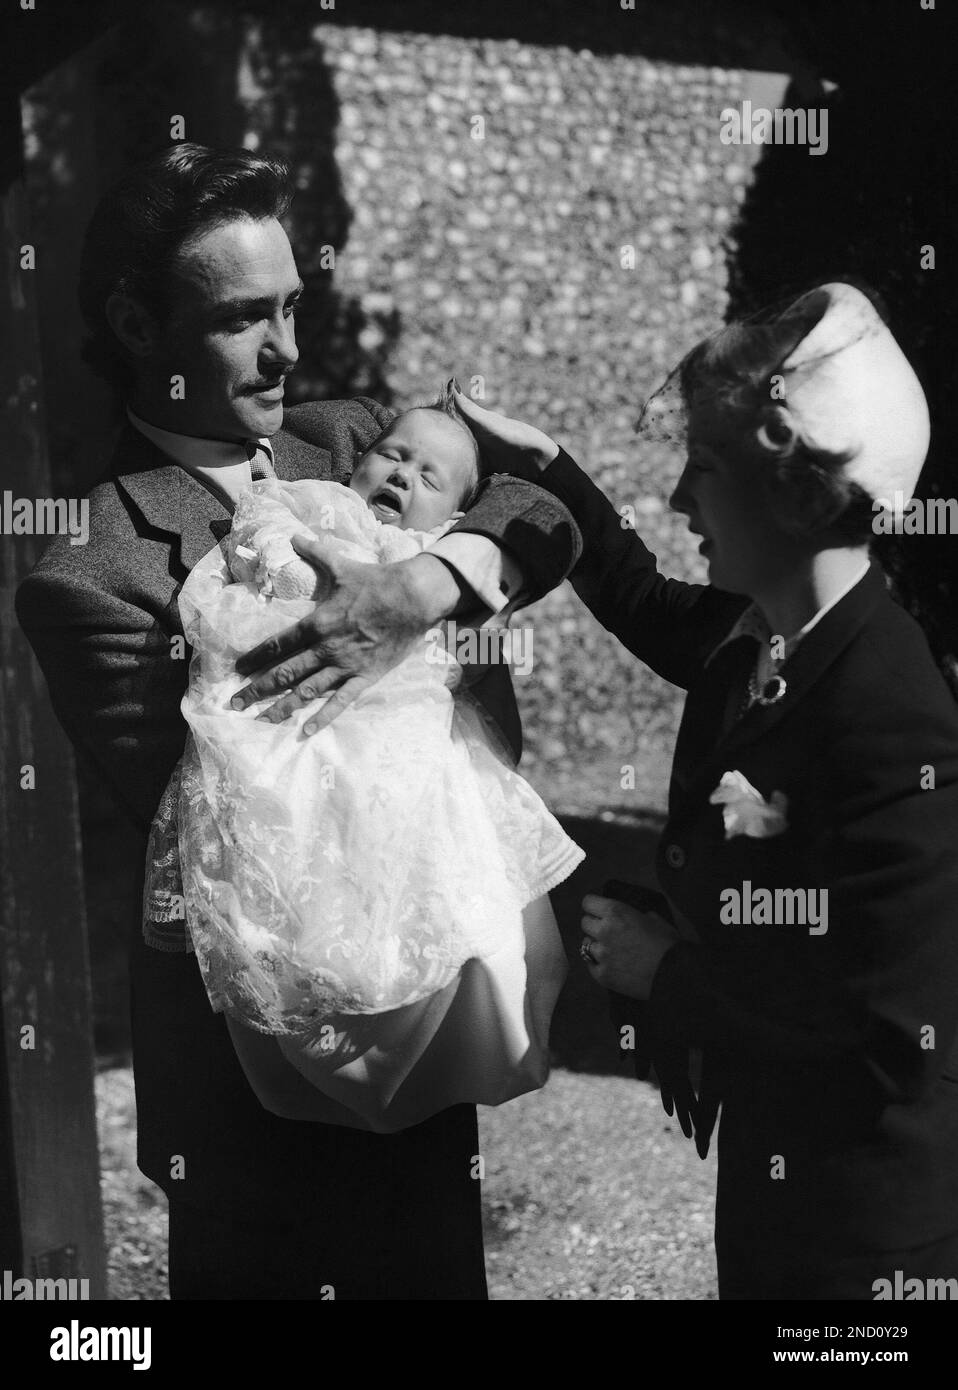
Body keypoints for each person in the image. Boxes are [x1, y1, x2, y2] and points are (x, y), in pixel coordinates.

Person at [15, 142, 581, 1300]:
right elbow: (234, 834)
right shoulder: (94, 572)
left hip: (434, 1019)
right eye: (242, 320)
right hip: (260, 1090)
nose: (285, 350)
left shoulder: (346, 436)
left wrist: (430, 583)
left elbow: (537, 507)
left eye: (290, 308)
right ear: (135, 321)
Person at [452, 282, 958, 1300]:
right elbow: (637, 593)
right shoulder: (758, 634)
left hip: (866, 1232)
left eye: (705, 465)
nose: (679, 496)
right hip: (784, 1178)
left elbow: (888, 1033)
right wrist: (542, 464)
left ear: (799, 492)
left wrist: (667, 969)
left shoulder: (888, 710)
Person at [145, 392, 583, 1133]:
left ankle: (450, 1037)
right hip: (289, 748)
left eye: (430, 475)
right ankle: (323, 1031)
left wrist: (436, 593)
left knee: (457, 897)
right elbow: (265, 534)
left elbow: (541, 514)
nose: (403, 474)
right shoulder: (315, 500)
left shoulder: (440, 546)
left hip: (411, 757)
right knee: (300, 905)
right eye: (393, 455)